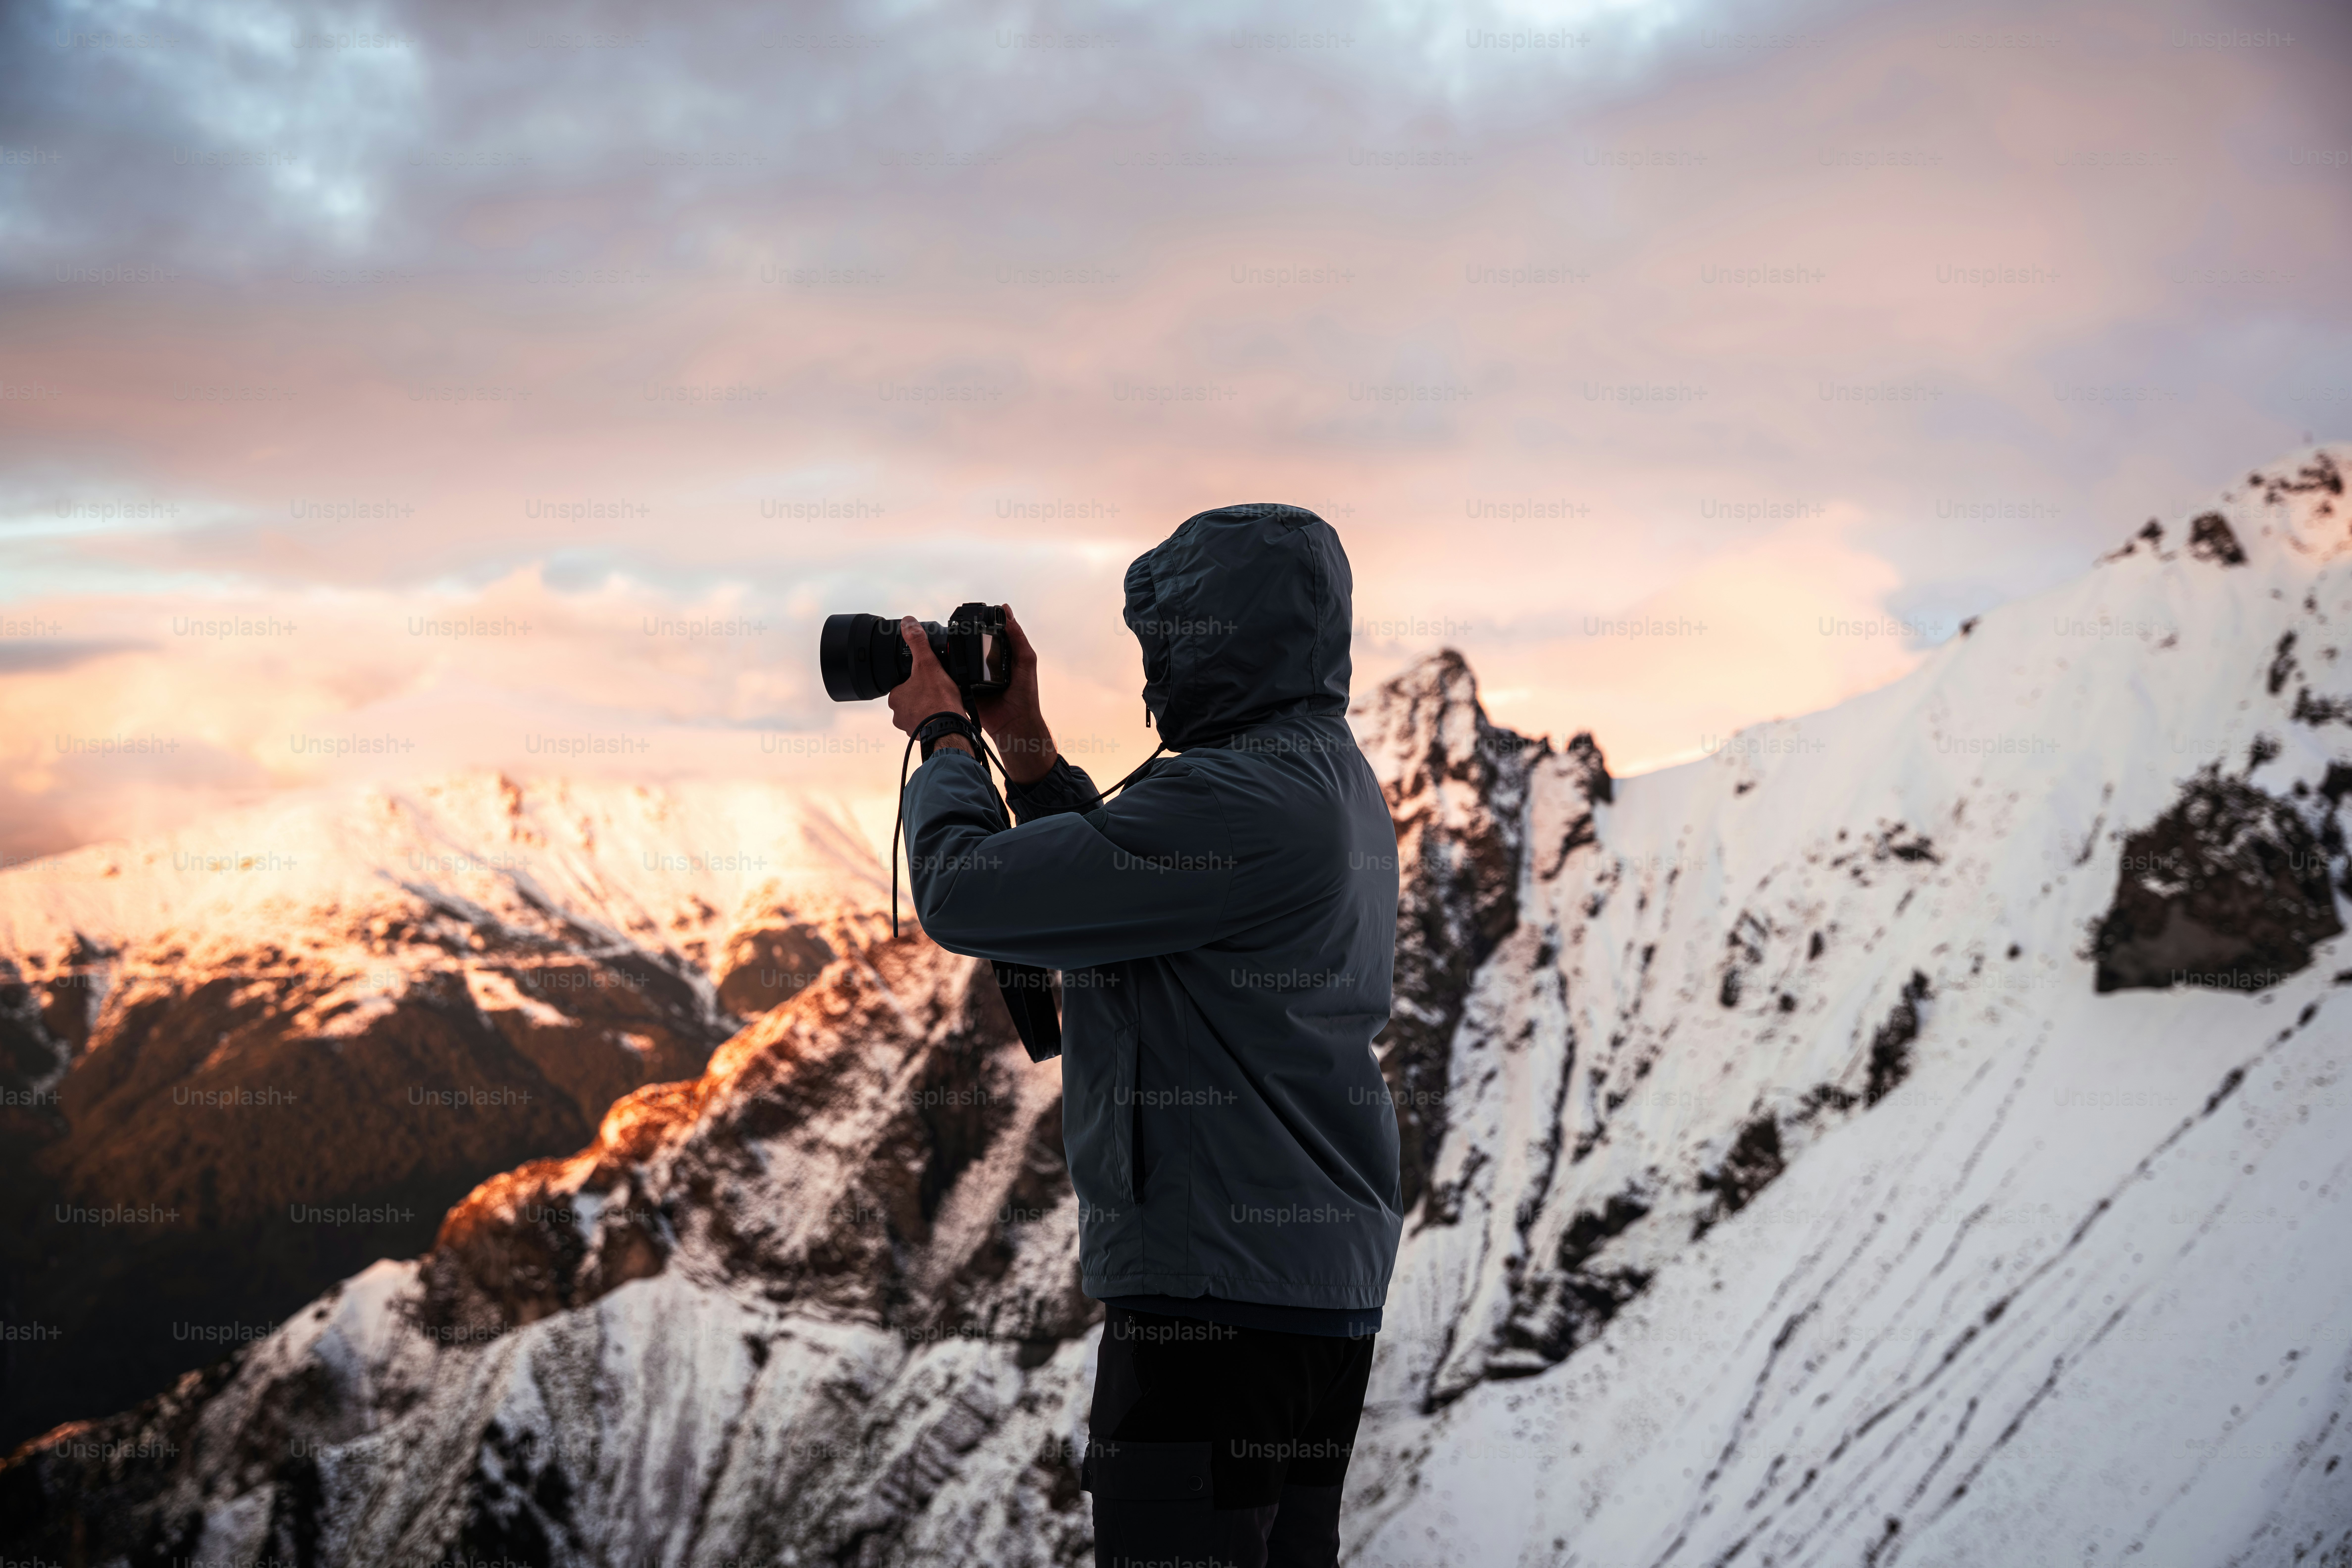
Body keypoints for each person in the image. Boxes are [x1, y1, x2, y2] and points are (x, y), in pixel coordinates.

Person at [889, 503, 1403, 1568]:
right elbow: (1126, 880)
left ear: (1221, 639)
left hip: (1214, 1306)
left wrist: (945, 737)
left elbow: (963, 892)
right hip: (1306, 1302)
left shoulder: (1239, 798)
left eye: (1163, 644)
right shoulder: (1325, 778)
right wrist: (1021, 742)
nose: (1151, 673)